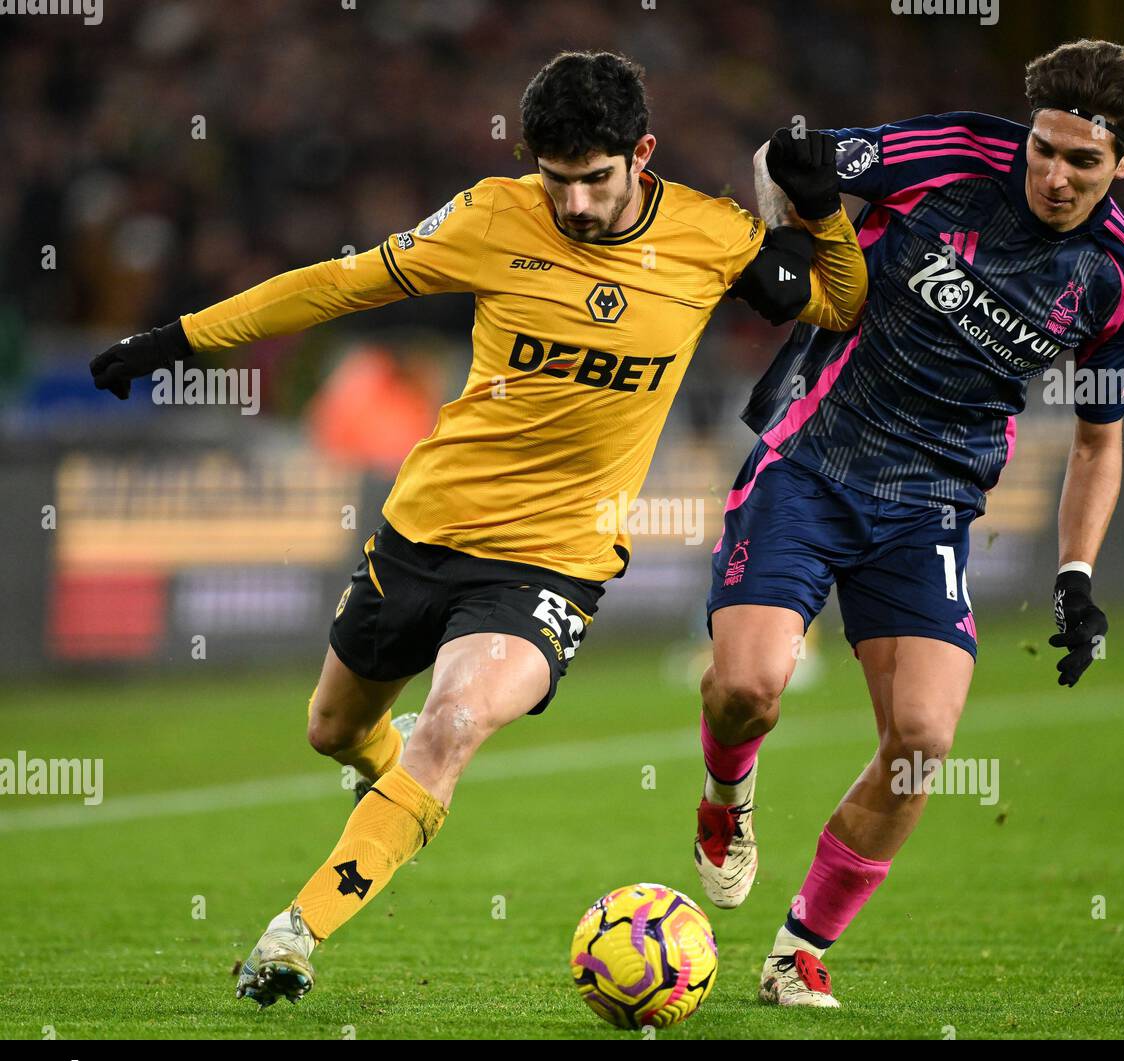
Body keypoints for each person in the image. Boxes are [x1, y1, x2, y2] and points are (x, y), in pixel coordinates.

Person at [89, 50, 867, 1008]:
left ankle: (295, 935)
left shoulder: (712, 237)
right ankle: (404, 782)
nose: (574, 204)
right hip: (425, 529)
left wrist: (824, 220)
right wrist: (178, 340)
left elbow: (839, 301)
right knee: (333, 732)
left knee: (453, 724)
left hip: (554, 560)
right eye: (556, 179)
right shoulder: (490, 216)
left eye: (595, 179)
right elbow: (338, 285)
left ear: (643, 156)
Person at [692, 38, 1124, 1007]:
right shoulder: (952, 152)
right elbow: (788, 158)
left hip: (932, 508)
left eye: (1083, 161)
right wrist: (785, 243)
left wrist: (1075, 574)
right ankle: (725, 799)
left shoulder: (1117, 280)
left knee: (921, 741)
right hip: (809, 459)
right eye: (1044, 148)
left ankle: (798, 950)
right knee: (747, 687)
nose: (1054, 174)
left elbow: (1097, 443)